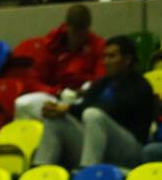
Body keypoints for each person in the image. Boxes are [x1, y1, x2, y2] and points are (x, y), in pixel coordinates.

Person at [32, 36, 152, 170]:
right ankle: (39, 172)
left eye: (112, 56)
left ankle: (87, 171)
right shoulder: (102, 83)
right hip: (98, 145)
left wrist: (67, 108)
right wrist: (58, 110)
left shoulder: (140, 85)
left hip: (129, 150)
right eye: (105, 57)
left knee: (93, 114)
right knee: (54, 119)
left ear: (127, 60)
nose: (106, 61)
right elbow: (83, 105)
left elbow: (113, 108)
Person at [15, 4, 105, 122]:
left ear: (88, 29)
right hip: (55, 95)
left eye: (81, 33)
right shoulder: (51, 43)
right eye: (74, 33)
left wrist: (85, 91)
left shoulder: (98, 46)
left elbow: (101, 81)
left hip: (82, 99)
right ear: (67, 27)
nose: (77, 38)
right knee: (21, 104)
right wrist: (57, 92)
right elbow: (33, 80)